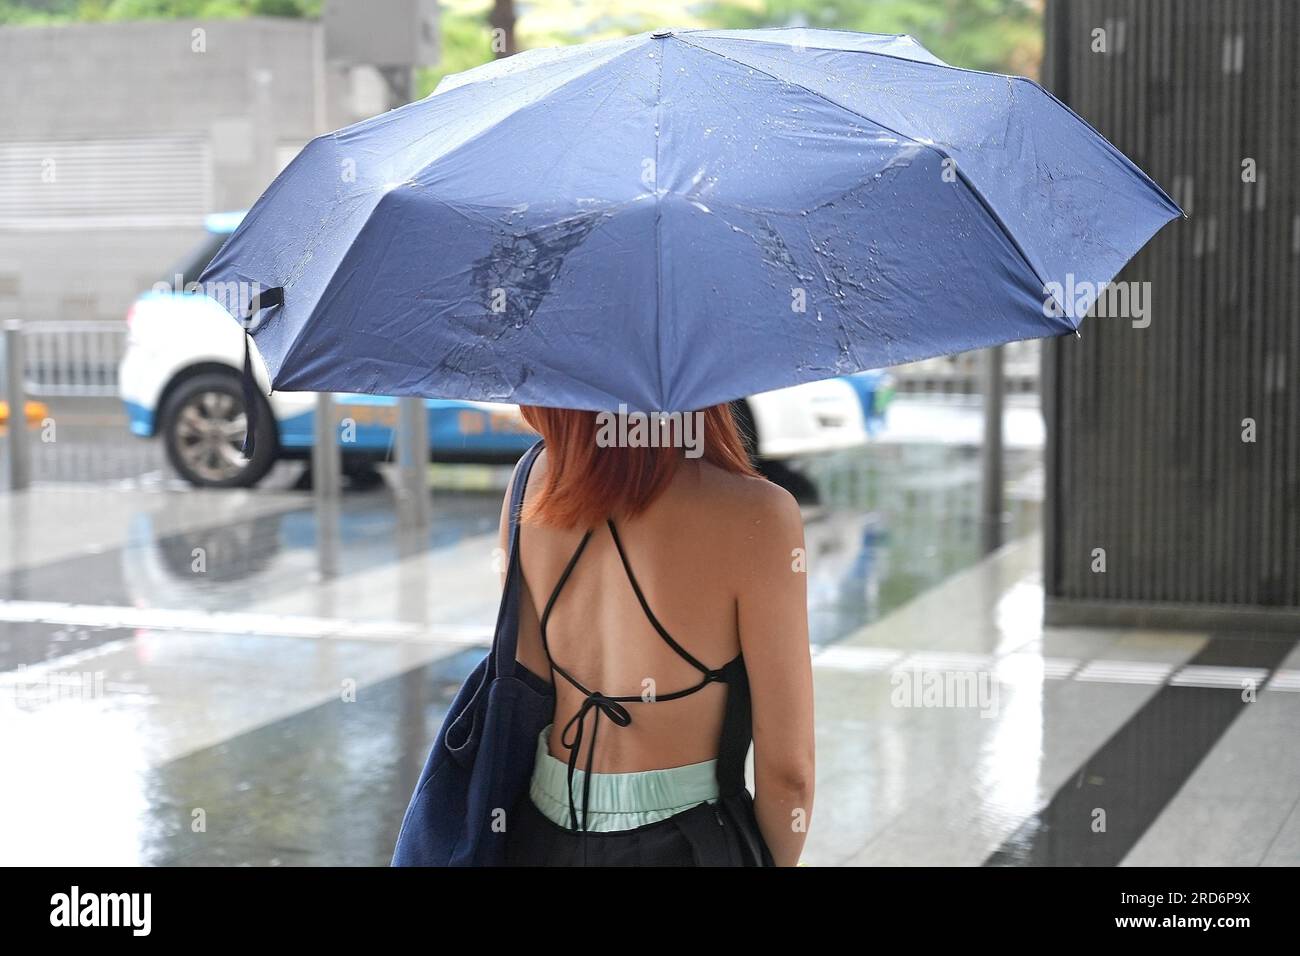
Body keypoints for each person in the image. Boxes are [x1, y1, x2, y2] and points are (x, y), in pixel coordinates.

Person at [498, 403, 814, 866]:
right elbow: (790, 774)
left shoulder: (531, 481)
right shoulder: (757, 513)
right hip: (687, 841)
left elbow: (524, 684)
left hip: (538, 833)